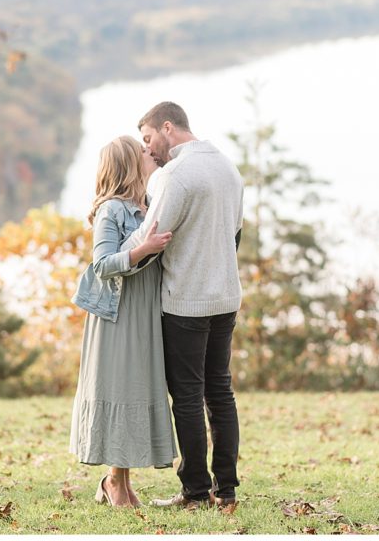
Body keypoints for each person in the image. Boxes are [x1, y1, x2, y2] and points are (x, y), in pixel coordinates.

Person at [119, 102, 244, 509]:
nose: (149, 149)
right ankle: (225, 489)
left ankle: (194, 492)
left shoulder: (174, 176)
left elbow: (149, 237)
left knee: (188, 396)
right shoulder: (228, 167)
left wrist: (111, 255)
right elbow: (235, 234)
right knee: (220, 392)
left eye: (149, 139)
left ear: (168, 128)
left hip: (186, 301)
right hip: (226, 297)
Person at [69, 135, 178, 508]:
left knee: (134, 389)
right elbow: (102, 264)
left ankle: (119, 481)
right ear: (131, 165)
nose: (152, 156)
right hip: (118, 315)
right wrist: (142, 249)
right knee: (119, 389)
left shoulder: (147, 205)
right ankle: (115, 481)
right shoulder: (111, 210)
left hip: (143, 311)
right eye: (145, 153)